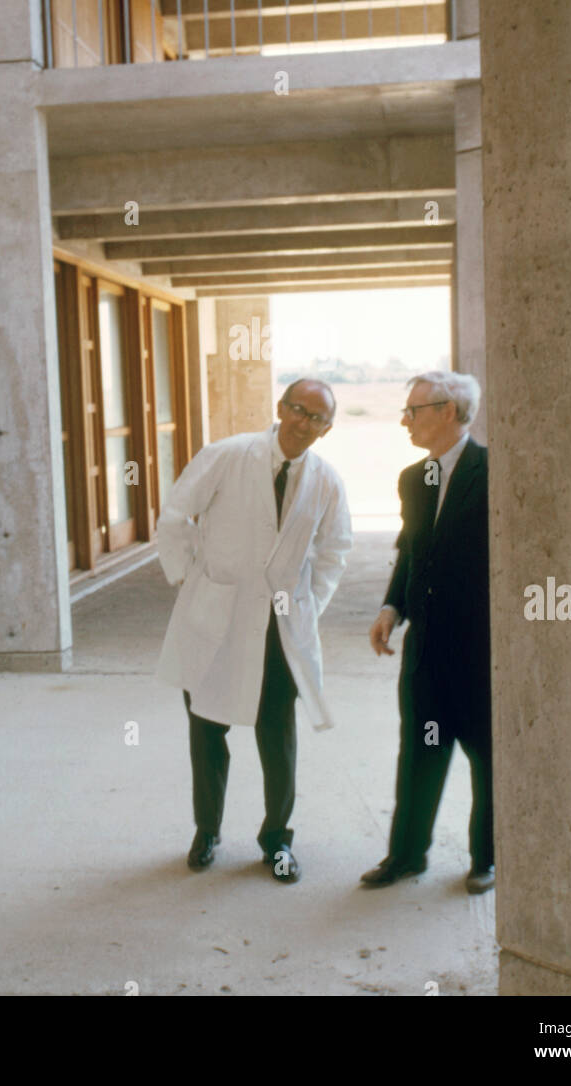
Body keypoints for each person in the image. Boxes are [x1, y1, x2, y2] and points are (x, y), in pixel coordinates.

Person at [155, 378, 352, 883]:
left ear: (326, 429)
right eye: (297, 410)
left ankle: (277, 840)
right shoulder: (228, 455)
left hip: (280, 625)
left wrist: (310, 604)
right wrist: (185, 577)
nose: (303, 424)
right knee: (206, 727)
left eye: (317, 419)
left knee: (277, 735)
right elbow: (176, 513)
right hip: (216, 614)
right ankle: (207, 831)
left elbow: (334, 551)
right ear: (280, 407)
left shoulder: (326, 480)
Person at [360, 370, 494, 894]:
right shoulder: (415, 479)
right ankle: (407, 856)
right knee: (419, 751)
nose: (405, 420)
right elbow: (411, 549)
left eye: (413, 411)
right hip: (425, 651)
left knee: (487, 756)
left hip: (480, 651)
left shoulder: (494, 472)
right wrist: (392, 607)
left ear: (447, 411)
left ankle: (487, 860)